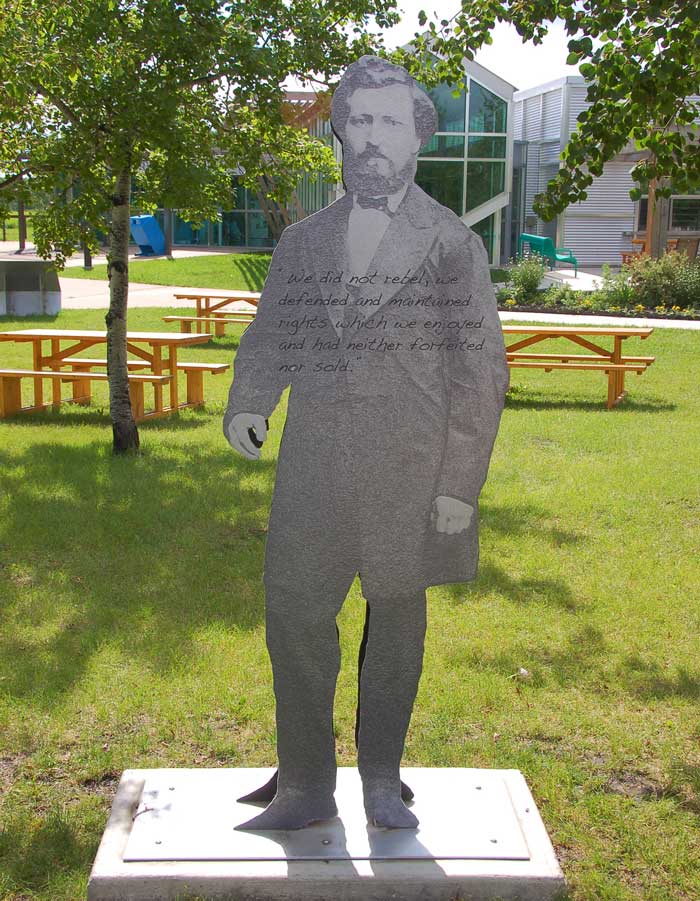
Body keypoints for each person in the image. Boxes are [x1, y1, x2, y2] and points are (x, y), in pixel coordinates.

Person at [223, 55, 509, 830]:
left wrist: (458, 481)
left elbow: (480, 370)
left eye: (390, 121)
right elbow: (271, 334)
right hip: (313, 467)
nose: (373, 138)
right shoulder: (304, 240)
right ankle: (308, 781)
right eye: (359, 120)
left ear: (416, 137)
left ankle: (381, 774)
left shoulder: (452, 245)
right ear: (340, 131)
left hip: (408, 474)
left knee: (395, 621)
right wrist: (250, 400)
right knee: (293, 610)